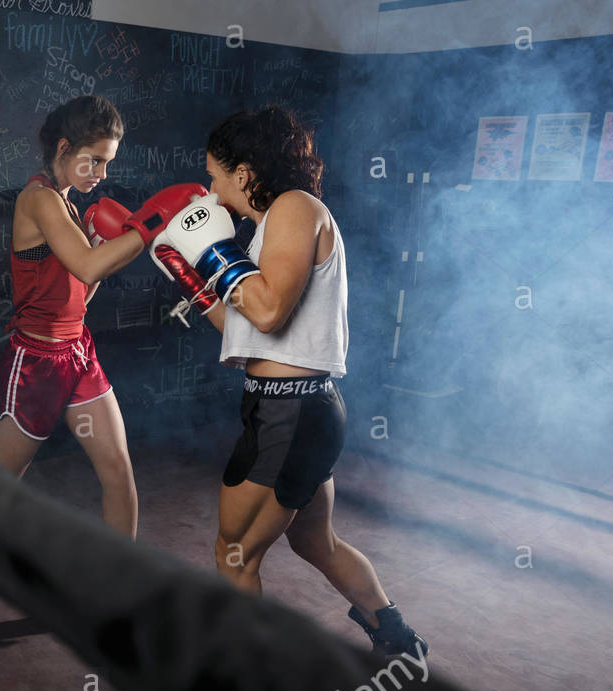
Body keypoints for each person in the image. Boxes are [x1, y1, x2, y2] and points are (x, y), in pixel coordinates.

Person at [0, 95, 204, 584]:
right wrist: (153, 222)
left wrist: (107, 246)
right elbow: (88, 265)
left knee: (118, 470)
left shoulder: (71, 207)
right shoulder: (38, 200)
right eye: (94, 159)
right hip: (35, 362)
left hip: (78, 353)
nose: (100, 172)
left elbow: (83, 287)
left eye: (107, 162)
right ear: (64, 147)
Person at [150, 105, 427, 657]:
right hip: (282, 408)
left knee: (235, 553)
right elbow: (247, 331)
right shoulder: (266, 230)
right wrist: (195, 282)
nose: (210, 187)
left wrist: (212, 251)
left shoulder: (297, 209)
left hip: (293, 411)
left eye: (216, 174)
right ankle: (396, 639)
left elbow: (272, 310)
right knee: (313, 539)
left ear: (245, 172)